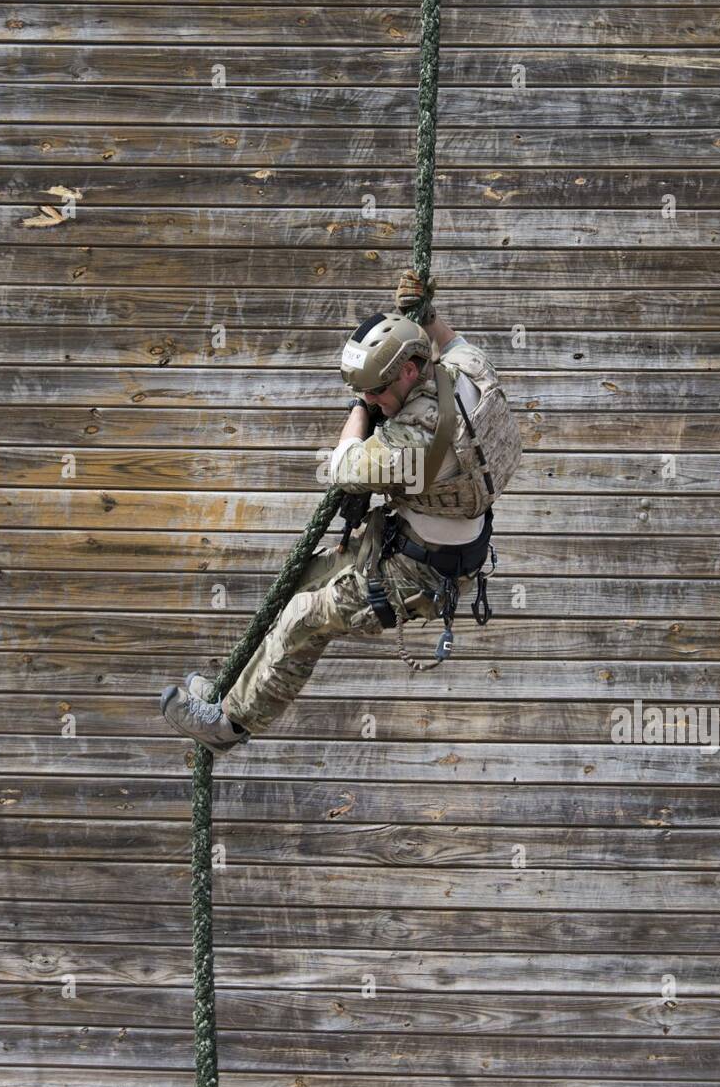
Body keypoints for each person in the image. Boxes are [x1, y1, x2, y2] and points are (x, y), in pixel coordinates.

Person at [159, 270, 521, 752]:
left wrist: (359, 409)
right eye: (366, 392)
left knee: (305, 617)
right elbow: (450, 340)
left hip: (420, 578)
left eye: (377, 390)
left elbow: (344, 466)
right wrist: (427, 315)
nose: (372, 401)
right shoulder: (468, 369)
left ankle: (230, 724)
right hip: (416, 544)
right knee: (303, 577)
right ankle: (231, 686)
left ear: (410, 371)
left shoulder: (414, 441)